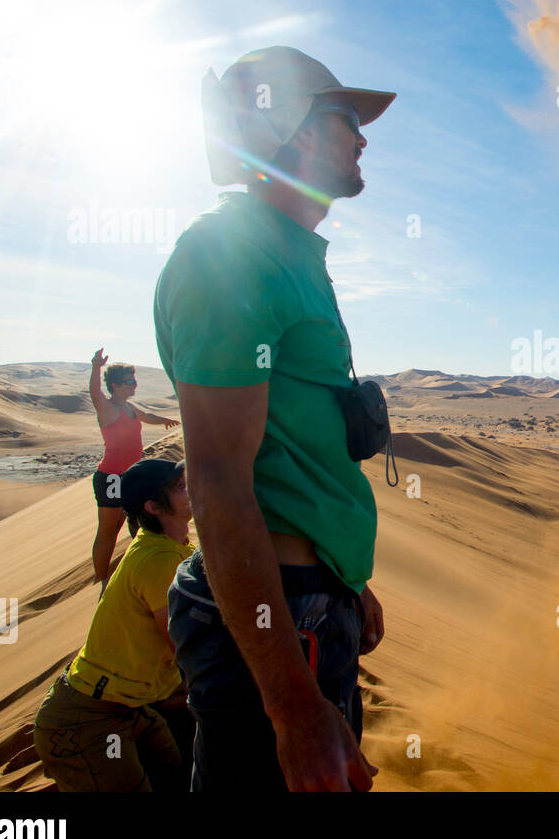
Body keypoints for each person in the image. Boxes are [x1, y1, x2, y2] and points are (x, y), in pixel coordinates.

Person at [154, 46, 391, 792]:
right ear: (296, 128)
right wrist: (291, 705)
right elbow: (219, 480)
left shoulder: (289, 254)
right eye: (347, 118)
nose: (363, 137)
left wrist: (347, 574)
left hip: (312, 603)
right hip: (277, 623)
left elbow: (295, 450)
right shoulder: (230, 256)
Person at [32, 459, 196, 792]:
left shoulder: (176, 550)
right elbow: (185, 646)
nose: (191, 487)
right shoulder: (158, 559)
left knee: (178, 779)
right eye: (179, 486)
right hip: (89, 718)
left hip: (131, 708)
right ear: (152, 506)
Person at [88, 349, 179, 586]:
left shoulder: (130, 408)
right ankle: (100, 579)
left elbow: (146, 415)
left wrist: (166, 420)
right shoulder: (108, 409)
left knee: (135, 521)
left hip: (131, 476)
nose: (134, 385)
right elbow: (95, 394)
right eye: (129, 381)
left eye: (135, 380)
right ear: (115, 386)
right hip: (111, 477)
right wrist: (96, 367)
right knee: (109, 528)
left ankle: (140, 568)